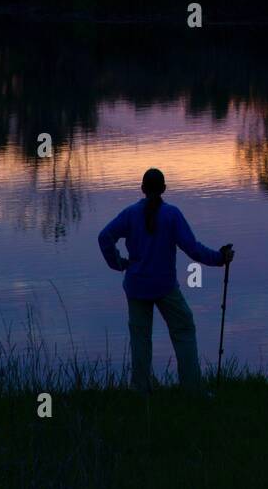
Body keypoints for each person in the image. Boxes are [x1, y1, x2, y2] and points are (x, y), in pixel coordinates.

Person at [98, 168, 234, 392]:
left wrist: (119, 263)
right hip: (165, 287)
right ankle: (192, 389)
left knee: (141, 339)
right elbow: (193, 249)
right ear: (164, 189)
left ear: (142, 189)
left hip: (136, 286)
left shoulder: (130, 214)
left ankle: (141, 390)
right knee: (184, 329)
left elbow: (105, 237)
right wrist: (219, 259)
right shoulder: (171, 214)